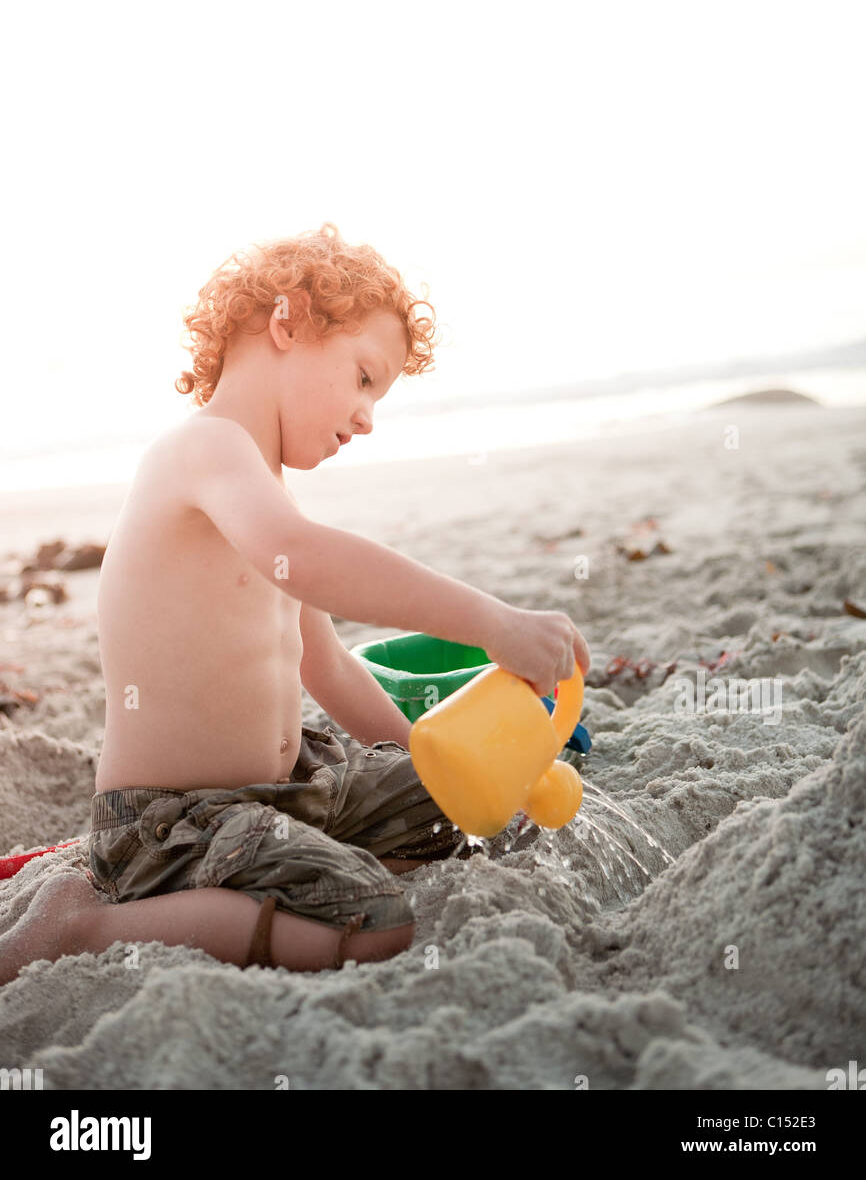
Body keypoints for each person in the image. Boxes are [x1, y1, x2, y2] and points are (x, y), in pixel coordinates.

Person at [0, 223, 590, 985]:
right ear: (288, 323)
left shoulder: (267, 492)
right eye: (363, 377)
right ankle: (85, 923)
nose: (369, 414)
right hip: (173, 821)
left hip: (290, 788)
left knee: (464, 814)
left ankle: (316, 850)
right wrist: (491, 623)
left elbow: (332, 669)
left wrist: (434, 766)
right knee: (375, 923)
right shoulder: (204, 452)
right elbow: (307, 558)